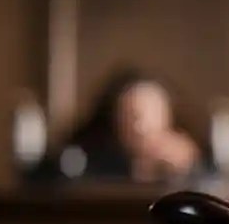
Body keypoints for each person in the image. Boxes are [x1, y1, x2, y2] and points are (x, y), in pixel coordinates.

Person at [29, 69, 218, 186]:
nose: (140, 126)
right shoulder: (87, 158)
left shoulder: (187, 158)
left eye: (149, 114)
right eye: (131, 115)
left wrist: (190, 167)